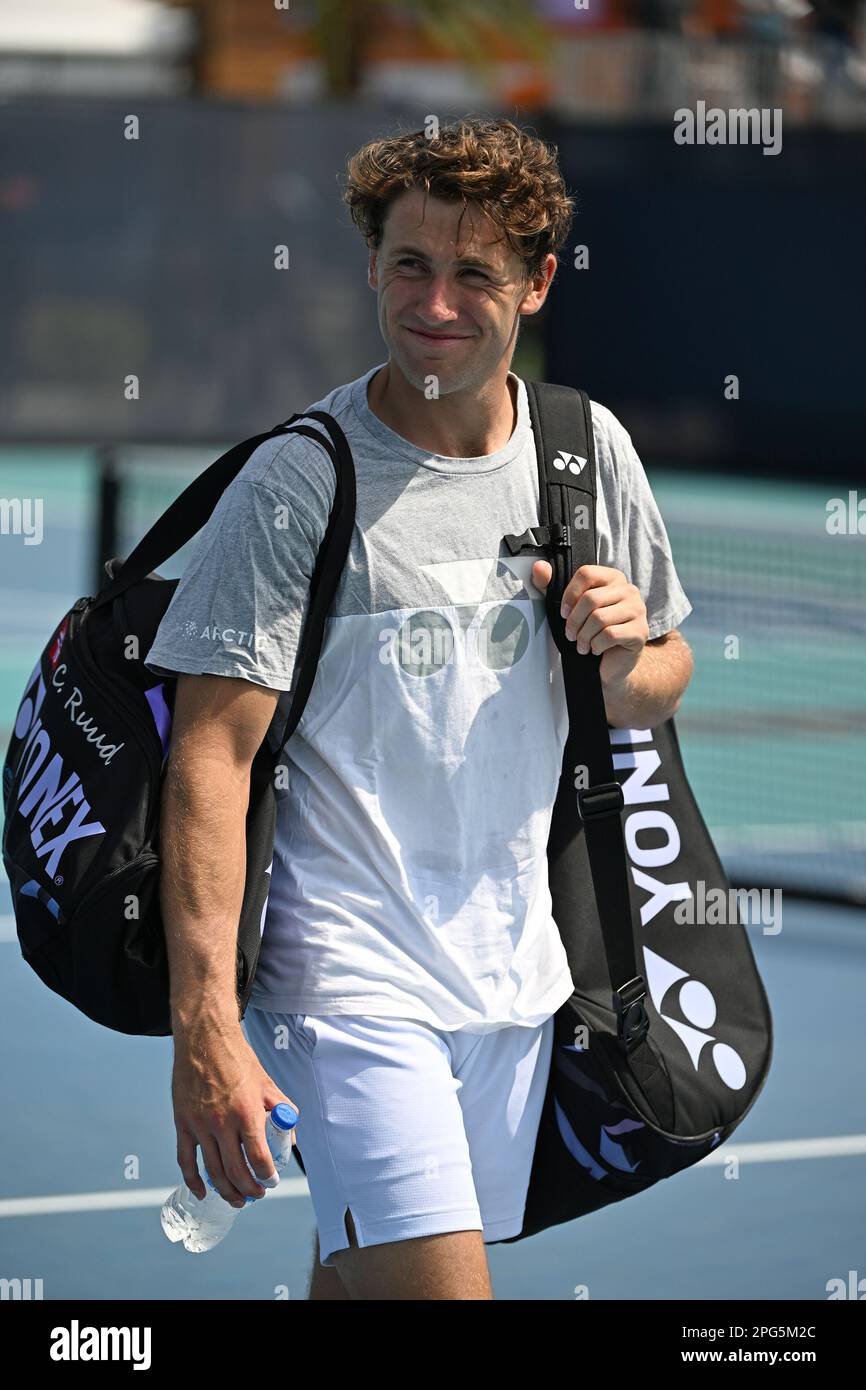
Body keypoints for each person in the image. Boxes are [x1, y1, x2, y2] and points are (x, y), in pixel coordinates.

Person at [144, 116, 694, 1301]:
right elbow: (208, 757)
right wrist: (205, 1024)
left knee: (351, 1284)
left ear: (537, 284)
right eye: (408, 264)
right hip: (342, 978)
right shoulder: (300, 481)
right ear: (371, 267)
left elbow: (660, 678)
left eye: (472, 273)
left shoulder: (585, 452)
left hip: (510, 975)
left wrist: (618, 653)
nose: (433, 301)